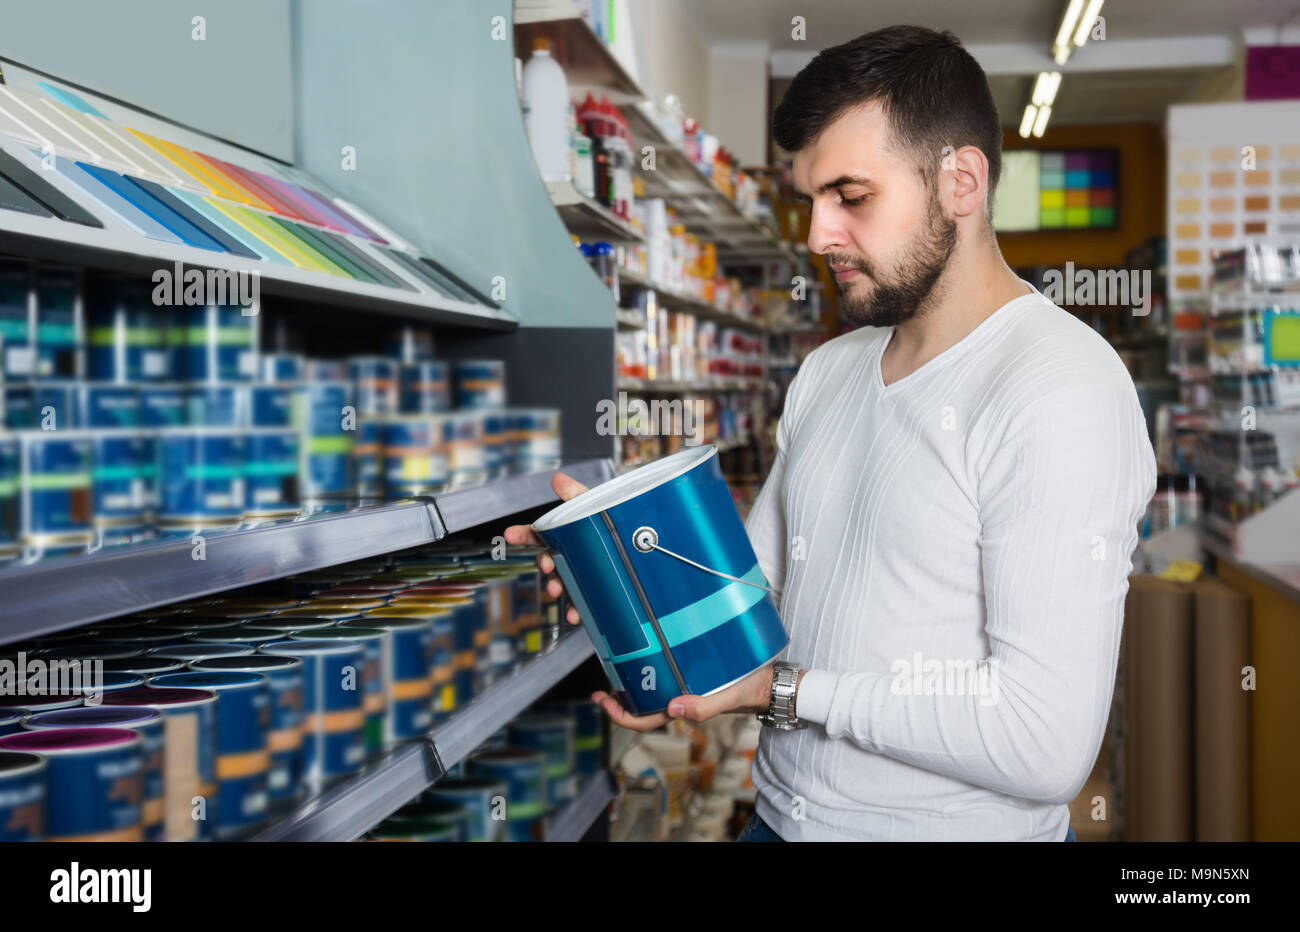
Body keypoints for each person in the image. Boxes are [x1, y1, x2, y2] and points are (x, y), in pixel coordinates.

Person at [505, 24, 1155, 842]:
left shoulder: (1060, 387)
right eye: (811, 199)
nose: (818, 236)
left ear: (961, 180)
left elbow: (1044, 743)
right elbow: (758, 596)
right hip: (777, 823)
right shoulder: (831, 371)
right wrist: (620, 566)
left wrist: (786, 693)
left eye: (851, 197)